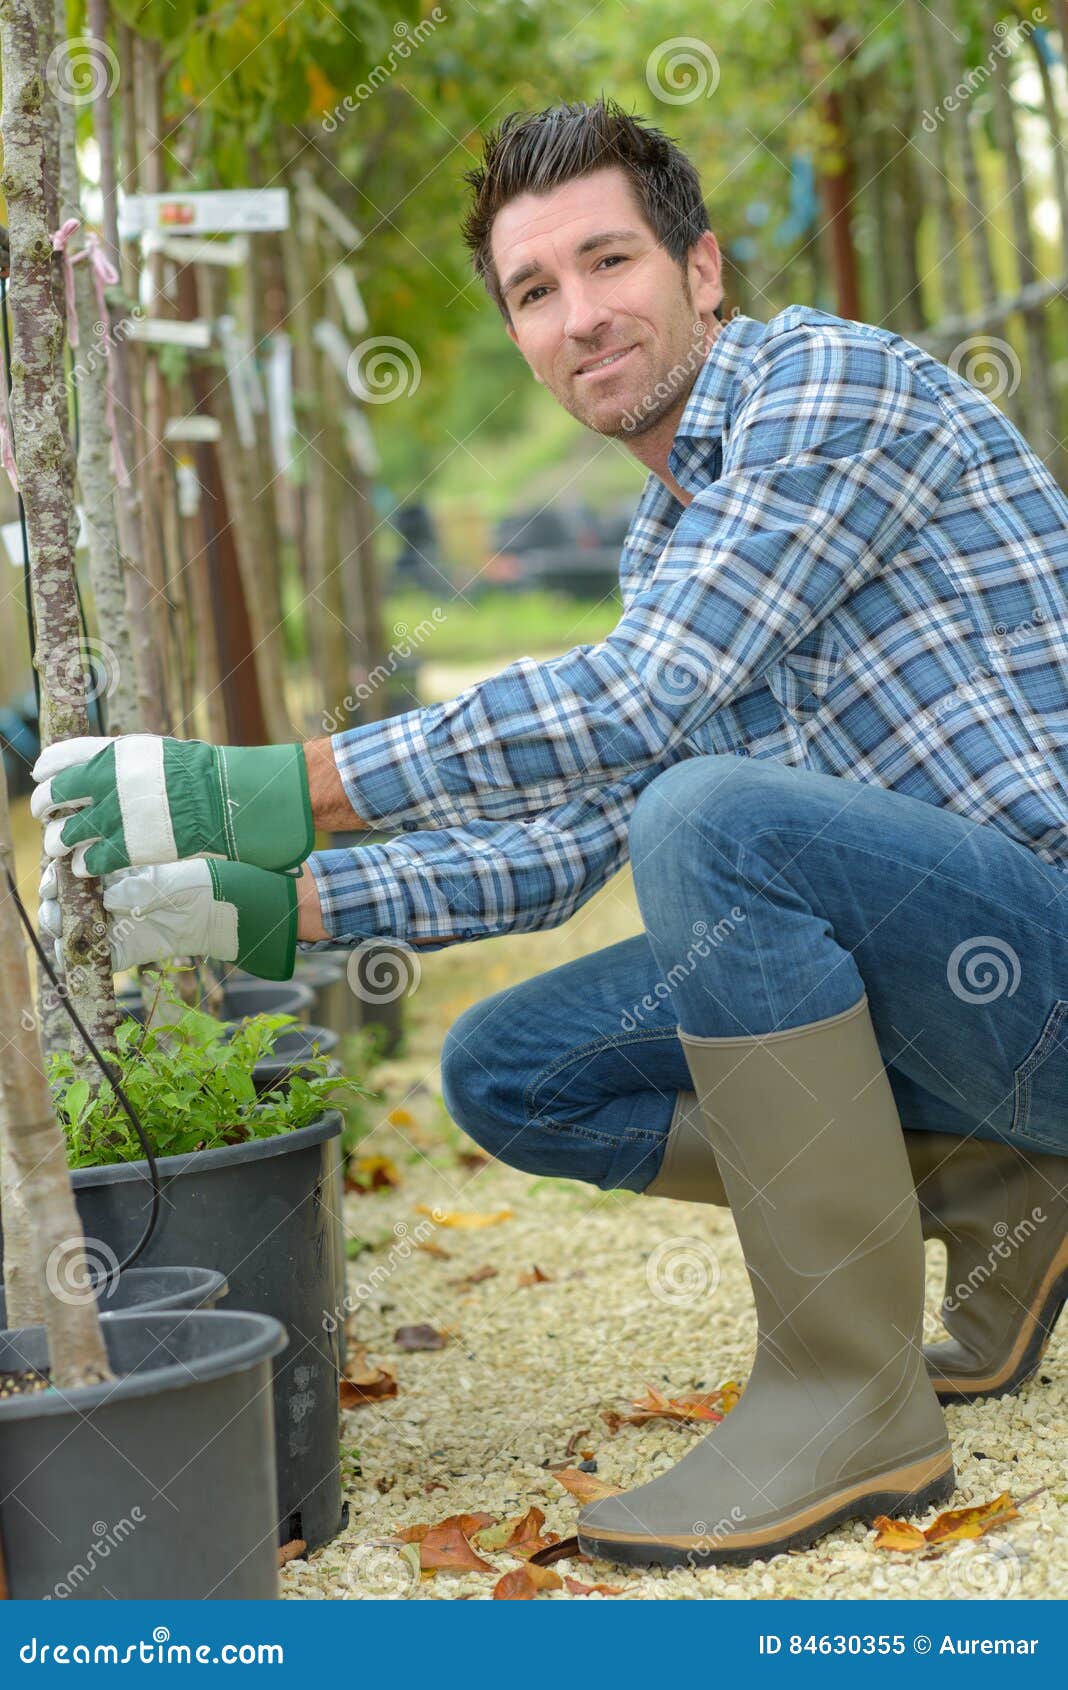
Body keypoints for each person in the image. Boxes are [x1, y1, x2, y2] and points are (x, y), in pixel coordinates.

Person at [32, 99, 1068, 1571]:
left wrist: (267, 786)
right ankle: (1003, 1185)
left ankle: (849, 1394)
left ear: (702, 268)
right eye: (534, 290)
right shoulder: (670, 538)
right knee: (513, 1064)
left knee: (710, 820)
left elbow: (638, 702)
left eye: (609, 261)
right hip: (968, 1003)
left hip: (1046, 951)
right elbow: (560, 845)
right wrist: (268, 903)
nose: (580, 317)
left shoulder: (829, 387)